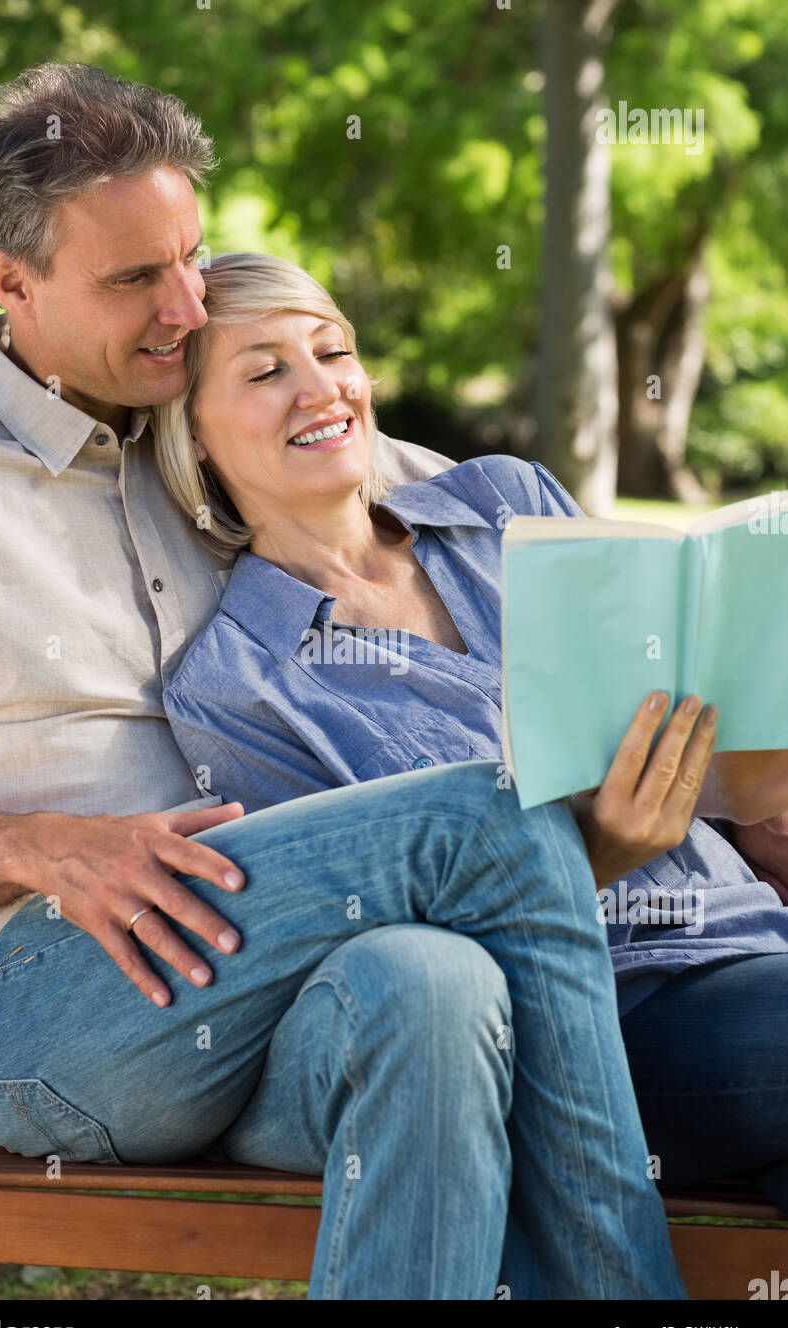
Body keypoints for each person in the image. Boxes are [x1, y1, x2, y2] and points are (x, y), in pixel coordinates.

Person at [0, 61, 687, 1301]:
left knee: (429, 985)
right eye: (133, 279)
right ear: (9, 282)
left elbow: (445, 512)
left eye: (190, 255)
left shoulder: (238, 427)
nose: (185, 307)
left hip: (284, 983)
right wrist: (33, 843)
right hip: (57, 1006)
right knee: (486, 808)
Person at [158, 251, 788, 1217]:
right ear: (193, 436)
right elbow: (382, 950)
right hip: (594, 1022)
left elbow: (665, 693)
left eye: (333, 352)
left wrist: (751, 785)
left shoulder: (507, 505)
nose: (320, 389)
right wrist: (598, 855)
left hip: (754, 935)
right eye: (265, 370)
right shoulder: (238, 689)